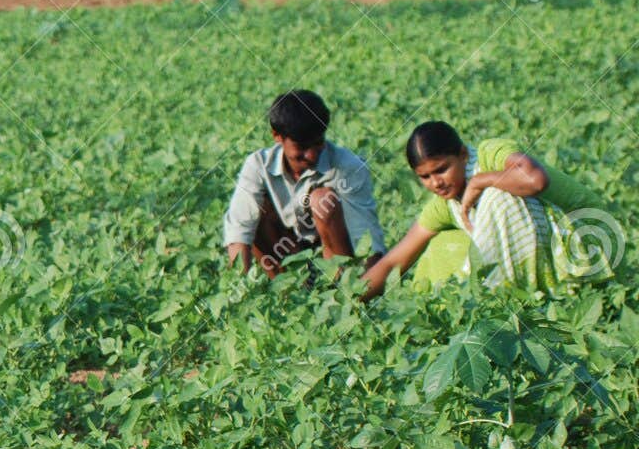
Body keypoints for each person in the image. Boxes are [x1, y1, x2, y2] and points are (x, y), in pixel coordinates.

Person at [361, 122, 610, 297]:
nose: (436, 182)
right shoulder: (446, 203)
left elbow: (536, 181)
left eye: (441, 169)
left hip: (591, 234)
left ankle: (535, 296)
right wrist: (349, 304)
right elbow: (395, 260)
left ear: (463, 155)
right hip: (564, 247)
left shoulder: (489, 155)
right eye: (425, 177)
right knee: (440, 246)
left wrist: (482, 181)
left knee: (497, 197)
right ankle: (519, 301)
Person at [223, 90, 386, 276]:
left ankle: (336, 286)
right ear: (277, 136)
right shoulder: (259, 165)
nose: (311, 155)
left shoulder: (347, 167)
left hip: (335, 255)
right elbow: (239, 231)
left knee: (322, 199)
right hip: (283, 253)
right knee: (254, 209)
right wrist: (238, 288)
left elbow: (366, 236)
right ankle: (286, 292)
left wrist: (369, 288)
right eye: (301, 147)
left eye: (318, 143)